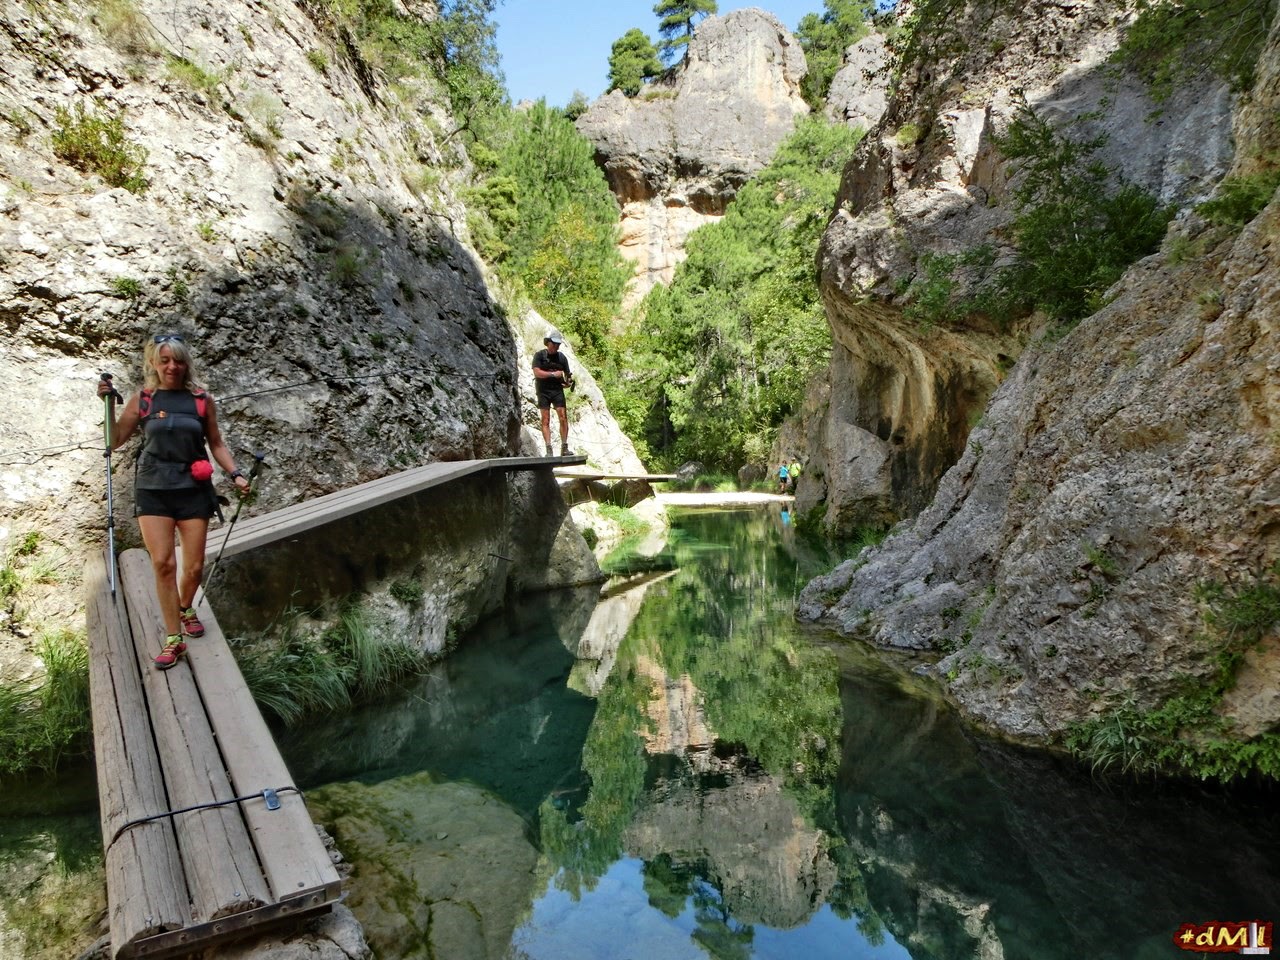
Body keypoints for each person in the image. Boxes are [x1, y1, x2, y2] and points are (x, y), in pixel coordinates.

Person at [96, 333, 250, 670]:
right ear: (153, 362)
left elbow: (216, 443)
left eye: (178, 360)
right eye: (165, 360)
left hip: (193, 489)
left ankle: (185, 607)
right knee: (163, 563)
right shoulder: (144, 399)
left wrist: (235, 473)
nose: (172, 366)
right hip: (152, 489)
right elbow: (115, 440)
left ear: (185, 363)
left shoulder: (200, 400)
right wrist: (108, 407)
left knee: (193, 567)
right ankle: (173, 639)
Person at [532, 330, 574, 457]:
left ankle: (564, 447)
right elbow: (537, 372)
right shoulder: (539, 355)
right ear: (548, 343)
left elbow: (567, 375)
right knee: (545, 419)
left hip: (557, 391)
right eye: (554, 344)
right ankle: (548, 449)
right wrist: (552, 374)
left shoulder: (562, 358)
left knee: (563, 417)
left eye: (558, 345)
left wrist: (568, 382)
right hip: (543, 391)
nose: (556, 347)